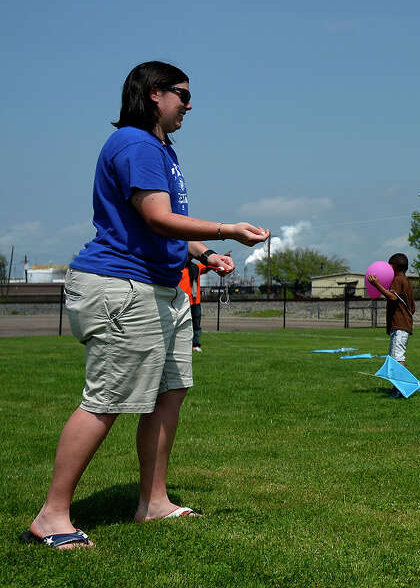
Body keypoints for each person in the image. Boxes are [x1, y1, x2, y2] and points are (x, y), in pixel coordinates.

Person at [24, 62, 270, 550]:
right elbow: (157, 218)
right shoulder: (136, 143)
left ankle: (153, 502)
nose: (190, 104)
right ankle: (51, 516)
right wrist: (228, 228)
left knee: (169, 393)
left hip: (162, 288)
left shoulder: (162, 149)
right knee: (108, 399)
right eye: (183, 94)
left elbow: (164, 224)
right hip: (123, 287)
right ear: (155, 94)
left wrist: (205, 253)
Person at [367, 253, 416, 364]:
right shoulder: (406, 281)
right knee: (393, 357)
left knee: (398, 358)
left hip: (400, 326)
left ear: (393, 266)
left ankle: (402, 380)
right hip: (403, 325)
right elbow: (412, 308)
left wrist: (377, 284)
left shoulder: (398, 280)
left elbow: (392, 297)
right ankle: (394, 378)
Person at [178, 257, 212, 353]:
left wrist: (222, 258)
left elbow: (209, 266)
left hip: (195, 302)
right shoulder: (177, 268)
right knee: (181, 325)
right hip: (181, 302)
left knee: (196, 325)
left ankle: (195, 344)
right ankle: (181, 344)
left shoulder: (196, 268)